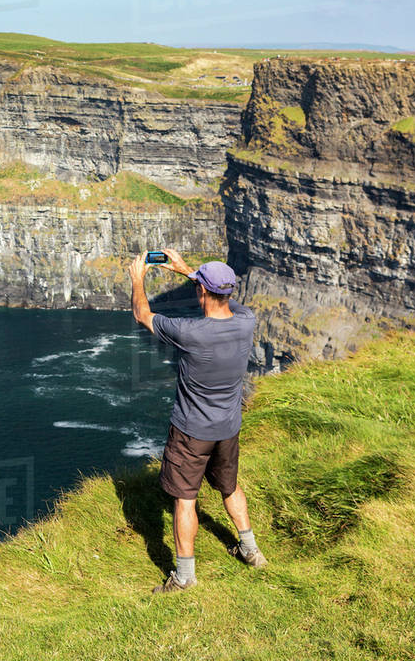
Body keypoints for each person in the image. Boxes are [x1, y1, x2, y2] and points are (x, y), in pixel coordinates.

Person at [127, 249, 267, 594]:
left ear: (202, 291)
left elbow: (142, 315)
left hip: (191, 431)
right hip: (228, 427)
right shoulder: (245, 320)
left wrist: (138, 278)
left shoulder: (191, 332)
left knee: (185, 499)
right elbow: (224, 304)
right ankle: (251, 551)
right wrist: (189, 271)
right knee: (230, 486)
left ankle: (185, 577)